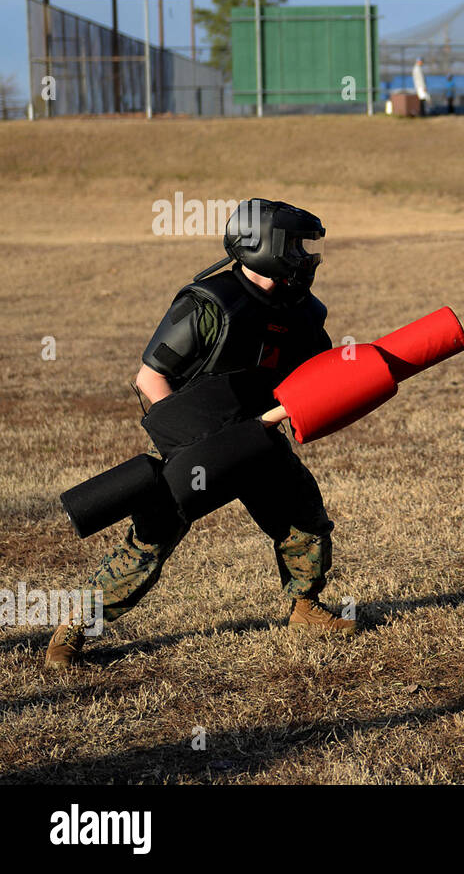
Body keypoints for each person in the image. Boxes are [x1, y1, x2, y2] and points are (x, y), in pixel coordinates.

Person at [46, 199, 354, 669]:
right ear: (265, 246)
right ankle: (73, 630)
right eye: (297, 244)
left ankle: (304, 607)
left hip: (258, 437)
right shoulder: (209, 304)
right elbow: (150, 378)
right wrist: (198, 448)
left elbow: (314, 375)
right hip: (196, 442)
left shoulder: (305, 311)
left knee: (304, 518)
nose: (306, 255)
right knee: (152, 538)